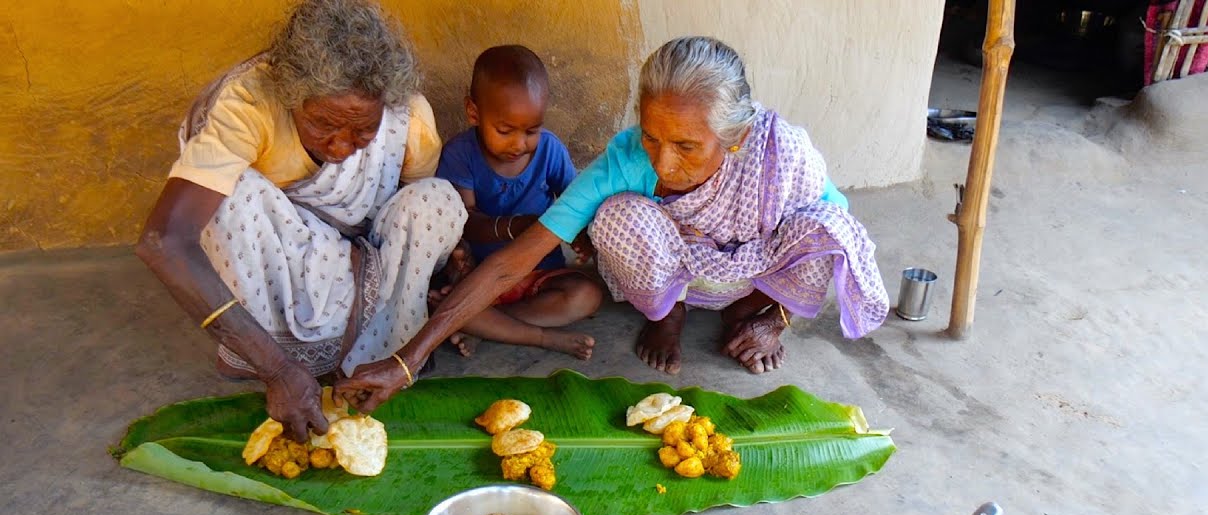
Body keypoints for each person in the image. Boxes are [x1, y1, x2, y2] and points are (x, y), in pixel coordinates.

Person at [336, 36, 888, 412]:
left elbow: (832, 235)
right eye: (652, 136)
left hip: (749, 274)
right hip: (684, 273)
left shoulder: (778, 155)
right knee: (618, 218)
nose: (662, 163)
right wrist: (406, 363)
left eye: (686, 146)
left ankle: (758, 318)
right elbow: (512, 263)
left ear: (735, 138)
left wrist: (781, 318)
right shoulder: (627, 161)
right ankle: (668, 312)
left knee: (827, 226)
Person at [136, 0, 465, 442]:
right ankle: (272, 356)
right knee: (229, 195)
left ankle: (382, 354)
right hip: (280, 271)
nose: (343, 145)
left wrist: (436, 281)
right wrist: (275, 369)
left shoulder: (408, 117)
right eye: (323, 124)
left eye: (362, 131)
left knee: (438, 199)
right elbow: (165, 241)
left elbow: (406, 215)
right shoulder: (250, 102)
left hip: (359, 269)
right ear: (291, 95)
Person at [434, 45, 603, 360]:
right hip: (481, 282)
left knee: (587, 295)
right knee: (441, 301)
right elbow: (466, 223)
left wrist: (580, 235)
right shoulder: (461, 154)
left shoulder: (550, 150)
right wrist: (517, 227)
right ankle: (538, 336)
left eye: (531, 130)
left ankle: (487, 327)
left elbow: (574, 202)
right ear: (473, 112)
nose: (519, 144)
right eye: (505, 130)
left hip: (540, 275)